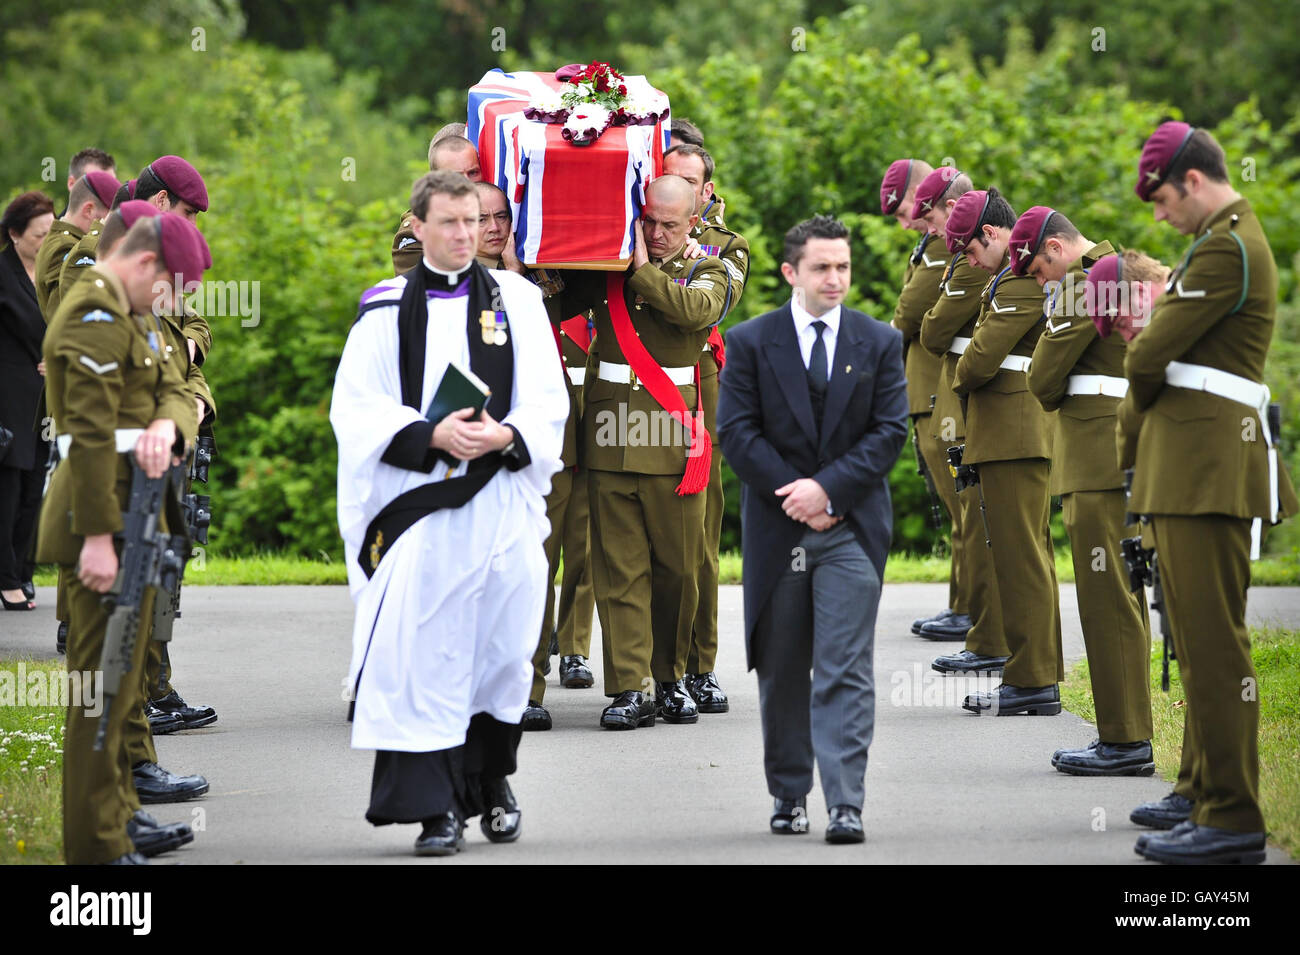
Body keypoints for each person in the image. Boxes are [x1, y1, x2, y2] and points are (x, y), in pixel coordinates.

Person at [332, 170, 568, 856]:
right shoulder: (382, 310)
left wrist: (505, 434)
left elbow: (547, 400)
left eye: (475, 221)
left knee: (501, 654)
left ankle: (491, 783)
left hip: (500, 500)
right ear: (417, 226)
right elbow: (357, 408)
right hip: (421, 512)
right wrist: (430, 434)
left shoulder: (518, 301)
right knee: (426, 654)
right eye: (451, 222)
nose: (466, 234)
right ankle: (436, 810)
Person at [1122, 123, 1297, 864]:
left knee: (1214, 645)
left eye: (1162, 200)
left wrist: (1148, 338)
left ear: (1192, 181)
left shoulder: (1226, 245)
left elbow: (1150, 352)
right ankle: (1202, 790)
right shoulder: (1221, 239)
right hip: (1192, 467)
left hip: (1207, 468)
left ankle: (1232, 816)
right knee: (1193, 640)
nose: (1159, 218)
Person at [717, 214, 908, 843]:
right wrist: (796, 495)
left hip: (851, 529)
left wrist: (831, 491)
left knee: (845, 667)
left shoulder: (878, 341)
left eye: (843, 267)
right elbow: (736, 433)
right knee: (782, 665)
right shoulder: (749, 341)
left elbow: (889, 432)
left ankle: (847, 802)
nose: (835, 278)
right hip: (780, 530)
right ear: (791, 272)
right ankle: (790, 792)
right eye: (822, 267)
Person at [38, 212, 209, 863]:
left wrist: (169, 429)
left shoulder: (130, 312)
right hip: (102, 528)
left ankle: (116, 824)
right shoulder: (93, 313)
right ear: (145, 266)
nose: (170, 304)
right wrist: (98, 540)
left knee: (120, 687)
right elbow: (85, 435)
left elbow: (172, 390)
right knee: (96, 700)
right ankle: (96, 848)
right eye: (168, 287)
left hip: (138, 519)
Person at [551, 175, 730, 730]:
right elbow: (551, 299)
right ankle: (629, 686)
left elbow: (696, 312)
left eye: (668, 225)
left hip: (672, 440)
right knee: (619, 571)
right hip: (608, 434)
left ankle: (670, 677)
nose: (654, 233)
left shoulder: (710, 267)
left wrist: (638, 270)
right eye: (647, 221)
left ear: (691, 222)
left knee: (677, 569)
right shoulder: (608, 266)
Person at [1018, 206, 1154, 773]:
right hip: (1134, 454)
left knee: (1106, 601)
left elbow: (1042, 380)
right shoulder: (1126, 268)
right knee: (1128, 597)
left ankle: (1124, 741)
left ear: (1054, 248)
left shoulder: (1080, 287)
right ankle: (1130, 731)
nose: (1039, 282)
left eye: (1036, 270)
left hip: (1097, 459)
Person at [943, 188, 1064, 717]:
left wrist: (965, 367)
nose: (969, 263)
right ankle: (1032, 674)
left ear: (991, 234)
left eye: (970, 252)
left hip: (1013, 434)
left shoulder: (1016, 284)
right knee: (1023, 558)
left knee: (1021, 561)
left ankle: (1033, 679)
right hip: (1008, 433)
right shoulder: (1008, 279)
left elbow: (978, 361)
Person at [663, 142, 750, 713]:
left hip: (697, 392)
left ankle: (699, 665)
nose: (683, 188)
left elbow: (713, 309)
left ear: (708, 190)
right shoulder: (638, 232)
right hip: (619, 390)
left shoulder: (724, 246)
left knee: (698, 539)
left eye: (691, 181)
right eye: (671, 177)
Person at [914, 167, 1008, 668]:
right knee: (974, 519)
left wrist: (932, 321)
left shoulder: (976, 263)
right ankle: (984, 632)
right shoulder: (967, 256)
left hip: (975, 403)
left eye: (934, 217)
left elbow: (929, 328)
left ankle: (987, 633)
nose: (932, 230)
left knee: (979, 521)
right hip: (965, 398)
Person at [880, 157, 970, 641]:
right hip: (928, 391)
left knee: (962, 508)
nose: (904, 222)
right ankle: (963, 602)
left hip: (937, 391)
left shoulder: (942, 240)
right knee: (957, 506)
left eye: (905, 211)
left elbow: (911, 311)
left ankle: (969, 606)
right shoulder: (935, 239)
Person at [0, 191, 55, 611]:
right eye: (40, 234)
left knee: (36, 486)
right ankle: (6, 578)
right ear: (15, 234)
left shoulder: (55, 273)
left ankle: (21, 570)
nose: (47, 239)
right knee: (10, 488)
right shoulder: (2, 273)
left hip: (44, 399)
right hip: (9, 396)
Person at [392, 131, 483, 274]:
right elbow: (425, 288)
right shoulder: (417, 230)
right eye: (455, 175)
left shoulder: (496, 210)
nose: (467, 183)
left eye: (473, 172)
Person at [34, 171, 120, 319]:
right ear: (89, 210)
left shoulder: (64, 240)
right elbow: (67, 315)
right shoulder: (65, 248)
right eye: (110, 218)